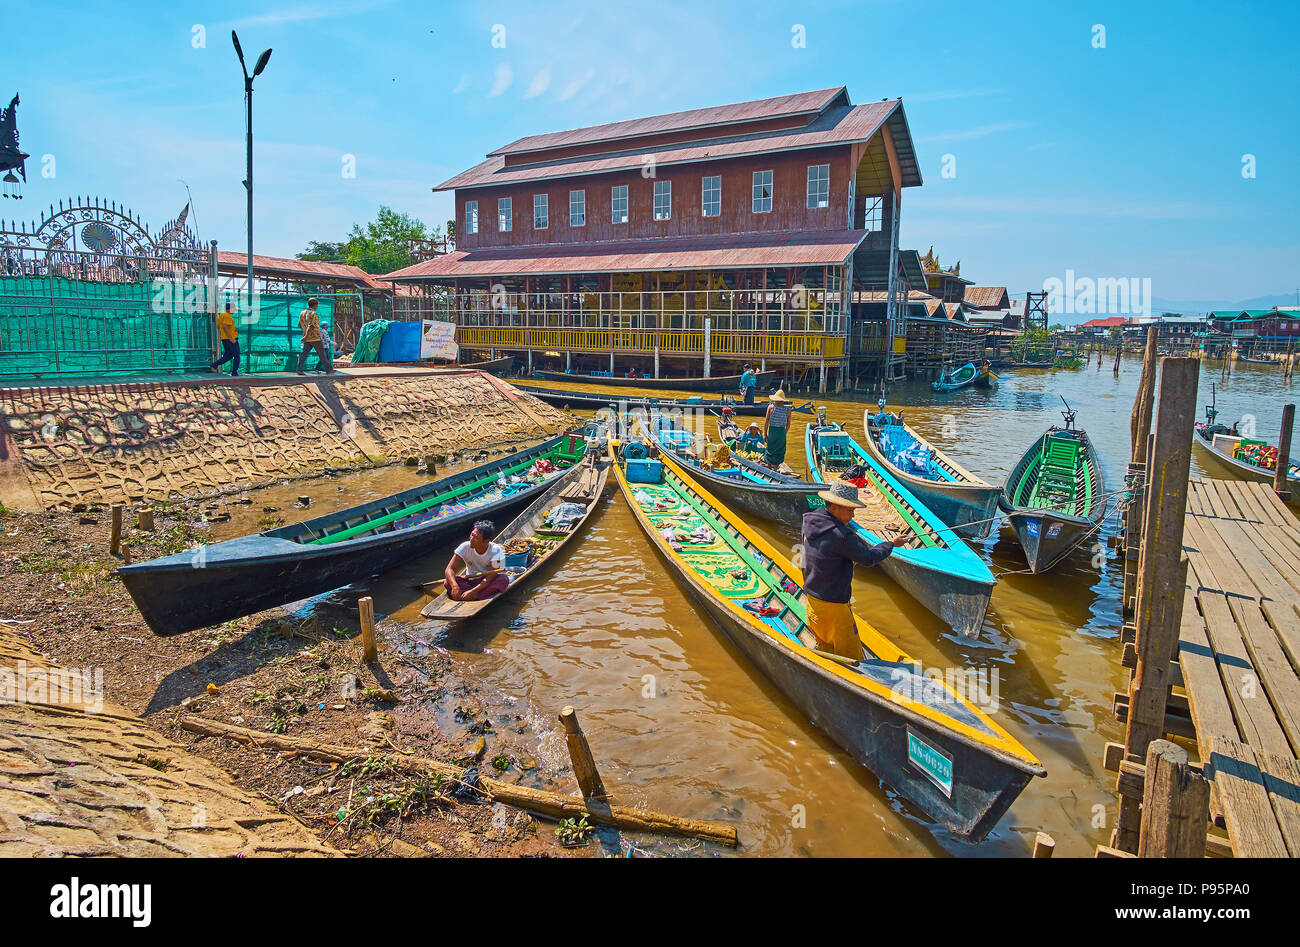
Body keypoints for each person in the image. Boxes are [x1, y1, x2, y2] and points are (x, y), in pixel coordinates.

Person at [800, 480, 899, 659]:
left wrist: (847, 562)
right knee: (853, 659)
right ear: (836, 506)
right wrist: (890, 544)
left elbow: (821, 555)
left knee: (826, 650)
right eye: (850, 510)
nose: (852, 516)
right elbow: (869, 558)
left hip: (813, 604)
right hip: (834, 610)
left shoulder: (811, 521)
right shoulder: (842, 535)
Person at [444, 520, 511, 601]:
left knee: (503, 580)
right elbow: (449, 569)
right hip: (471, 580)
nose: (471, 539)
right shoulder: (464, 547)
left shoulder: (495, 550)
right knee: (447, 582)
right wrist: (455, 586)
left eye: (476, 537)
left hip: (487, 582)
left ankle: (475, 596)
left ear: (486, 541)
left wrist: (473, 592)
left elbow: (491, 576)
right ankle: (475, 595)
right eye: (472, 535)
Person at [296, 297, 334, 375]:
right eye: (317, 305)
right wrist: (307, 336)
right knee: (322, 354)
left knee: (304, 354)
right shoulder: (313, 314)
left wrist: (306, 336)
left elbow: (300, 325)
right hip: (315, 337)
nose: (317, 306)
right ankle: (329, 369)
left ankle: (299, 369)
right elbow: (311, 326)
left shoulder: (302, 313)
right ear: (315, 305)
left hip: (307, 338)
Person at [210, 302, 240, 377]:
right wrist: (231, 338)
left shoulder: (222, 315)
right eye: (234, 309)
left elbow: (218, 326)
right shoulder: (227, 316)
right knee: (237, 355)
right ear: (230, 309)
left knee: (228, 356)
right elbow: (224, 326)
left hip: (225, 339)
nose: (234, 311)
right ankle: (235, 372)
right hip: (230, 339)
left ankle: (214, 365)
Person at [764, 389, 792, 468]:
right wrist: (784, 432)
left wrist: (765, 434)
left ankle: (769, 467)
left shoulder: (771, 407)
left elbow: (766, 422)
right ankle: (775, 469)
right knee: (780, 450)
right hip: (781, 432)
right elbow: (788, 424)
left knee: (770, 449)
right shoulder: (788, 410)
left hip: (772, 431)